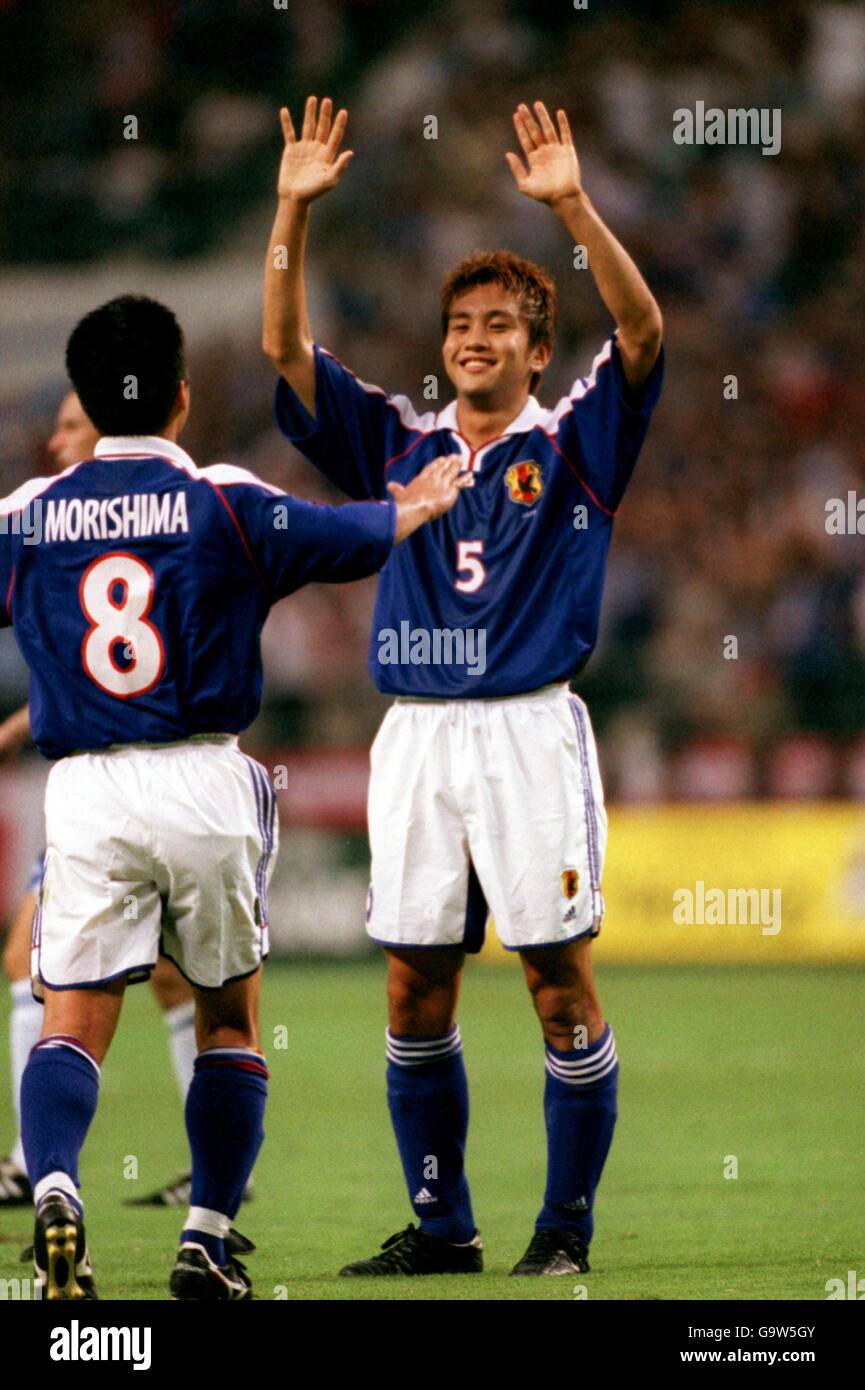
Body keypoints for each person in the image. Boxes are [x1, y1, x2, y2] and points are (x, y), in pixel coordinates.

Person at [263, 96, 663, 1277]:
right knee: (410, 990)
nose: (474, 339)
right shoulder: (397, 440)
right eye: (461, 325)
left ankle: (565, 1230)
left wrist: (574, 207)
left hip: (530, 734)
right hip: (418, 739)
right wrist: (289, 207)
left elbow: (641, 336)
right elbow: (286, 350)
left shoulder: (577, 443)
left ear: (541, 351)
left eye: (500, 326)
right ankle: (444, 1227)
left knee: (555, 987)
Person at [0, 293, 468, 1299]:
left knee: (70, 1014)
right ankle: (207, 1236)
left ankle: (57, 1189)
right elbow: (348, 534)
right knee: (228, 1018)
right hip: (205, 776)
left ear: (82, 398)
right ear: (181, 396)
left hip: (84, 788)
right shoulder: (224, 501)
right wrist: (414, 503)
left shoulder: (28, 516)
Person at [0, 392, 214, 1212]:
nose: (54, 437)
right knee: (166, 982)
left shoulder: (77, 522)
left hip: (124, 786)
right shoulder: (90, 524)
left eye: (70, 423)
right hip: (162, 787)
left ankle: (35, 1164)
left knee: (39, 962)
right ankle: (211, 1181)